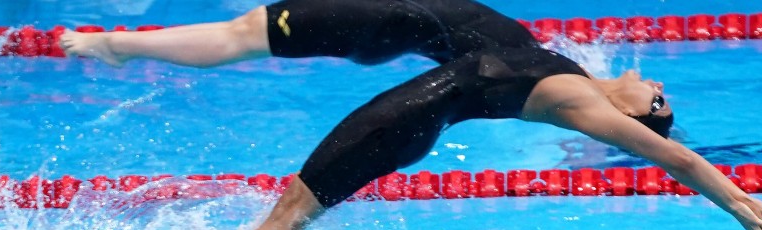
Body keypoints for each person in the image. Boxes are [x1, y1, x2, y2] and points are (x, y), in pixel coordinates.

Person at [221, 46, 762, 230]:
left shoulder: (586, 105)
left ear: (634, 118)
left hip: (399, 124)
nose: (657, 81)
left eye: (657, 101)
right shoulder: (580, 76)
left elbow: (677, 160)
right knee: (290, 211)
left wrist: (733, 201)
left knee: (291, 214)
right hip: (403, 118)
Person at [59, 0, 539, 68]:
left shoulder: (522, 49)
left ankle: (114, 44)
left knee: (242, 33)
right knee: (242, 31)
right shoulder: (523, 46)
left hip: (381, 19)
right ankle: (115, 44)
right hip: (395, 26)